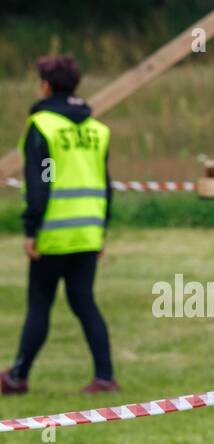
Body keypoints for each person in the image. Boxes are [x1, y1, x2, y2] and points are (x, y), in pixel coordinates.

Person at [2, 54, 117, 396]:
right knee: (84, 302)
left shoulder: (43, 126)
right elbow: (106, 184)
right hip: (87, 230)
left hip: (53, 231)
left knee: (40, 303)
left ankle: (17, 376)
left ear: (45, 86)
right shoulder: (98, 129)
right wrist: (101, 230)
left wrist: (31, 229)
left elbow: (41, 182)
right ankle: (105, 376)